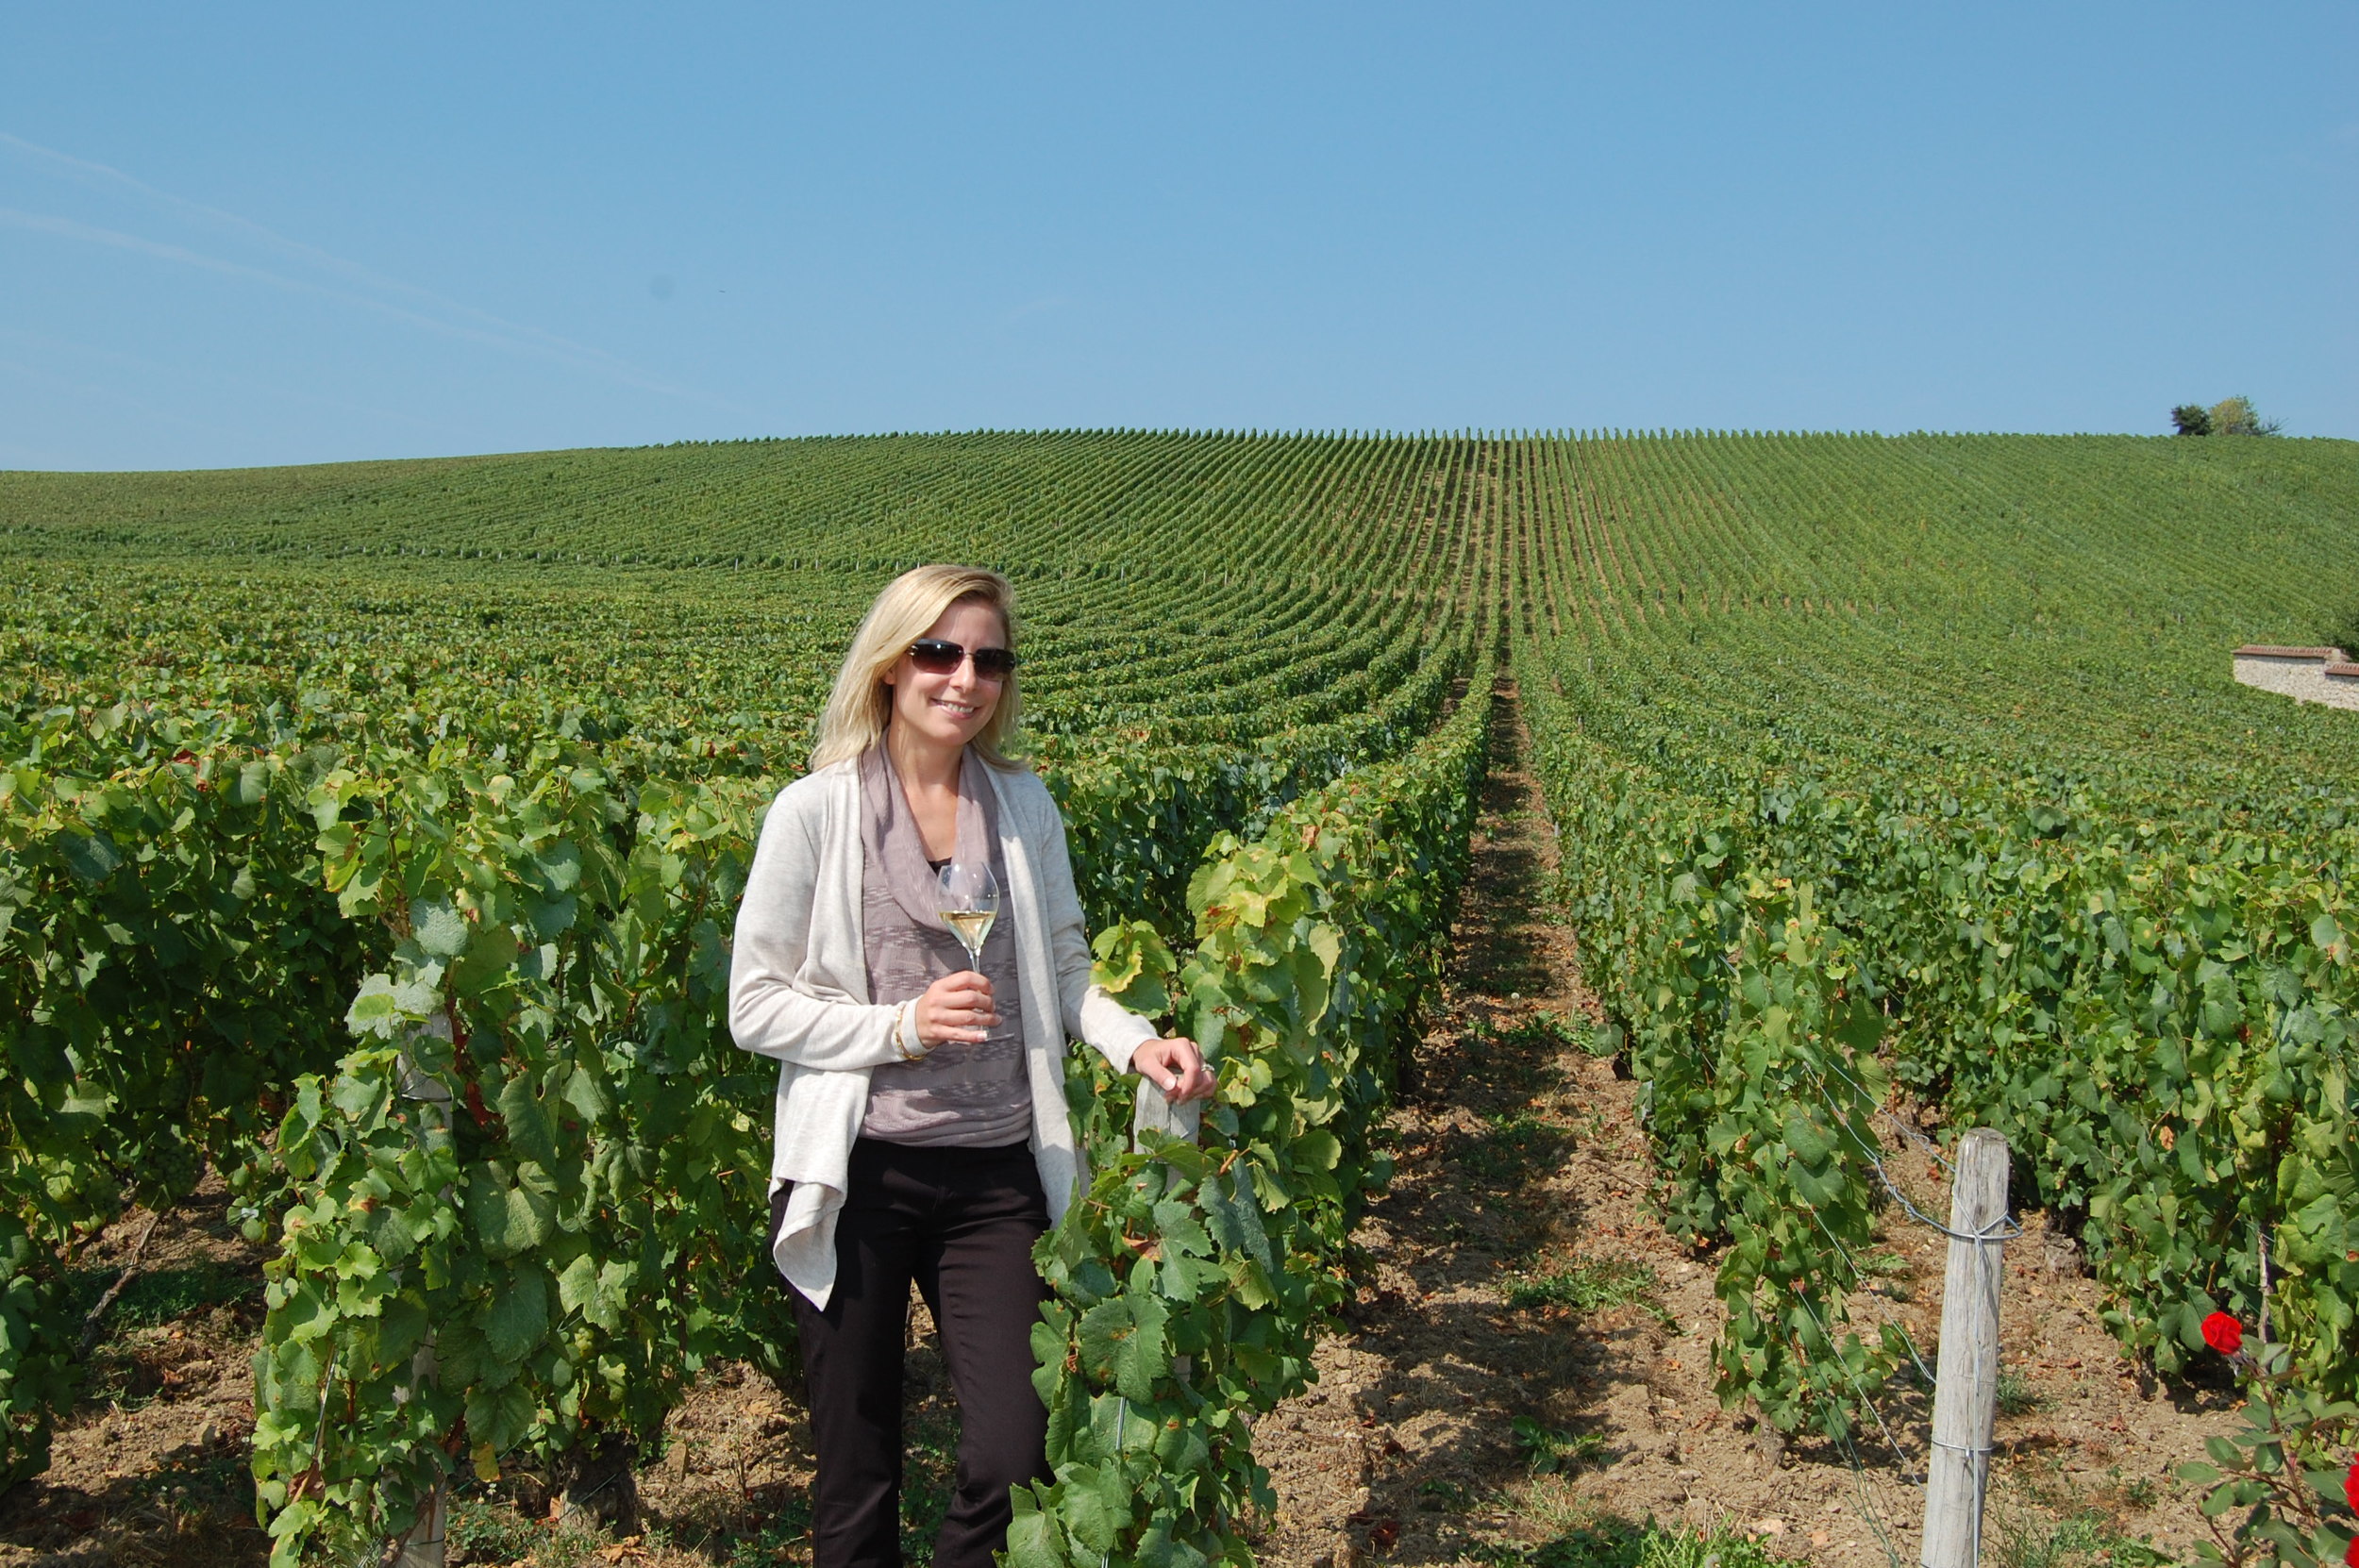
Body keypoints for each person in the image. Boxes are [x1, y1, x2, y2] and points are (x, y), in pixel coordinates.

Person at [728, 564, 1214, 1568]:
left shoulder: (1024, 808)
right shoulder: (814, 813)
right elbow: (754, 1007)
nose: (964, 677)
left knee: (1012, 1450)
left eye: (988, 658)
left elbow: (1066, 970)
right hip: (857, 1169)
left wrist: (1138, 1043)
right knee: (855, 1472)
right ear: (889, 665)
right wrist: (899, 1026)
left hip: (996, 1170)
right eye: (938, 651)